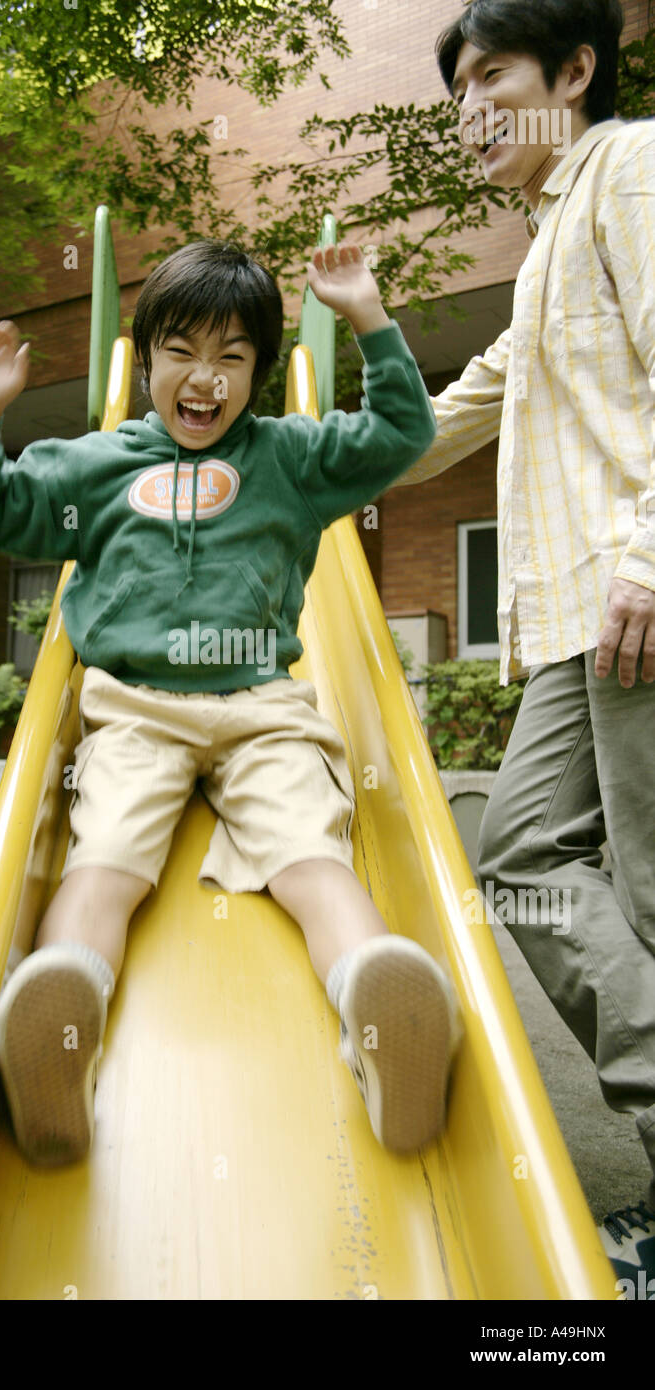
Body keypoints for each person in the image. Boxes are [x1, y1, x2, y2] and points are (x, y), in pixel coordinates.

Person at [0, 238, 462, 1170]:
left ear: (260, 373)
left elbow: (401, 436)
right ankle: (66, 1017)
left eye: (232, 357)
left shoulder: (290, 458)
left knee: (311, 853)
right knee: (105, 861)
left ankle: (377, 1004)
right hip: (134, 709)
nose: (204, 378)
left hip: (264, 706)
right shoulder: (95, 466)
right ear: (146, 362)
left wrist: (370, 320)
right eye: (181, 351)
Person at [389, 0, 655, 1291]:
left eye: (491, 75)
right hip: (573, 622)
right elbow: (465, 402)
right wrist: (299, 473)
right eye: (455, 93)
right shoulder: (547, 237)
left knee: (647, 895)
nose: (470, 110)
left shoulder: (633, 169)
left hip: (638, 589)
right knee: (524, 849)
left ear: (574, 69)